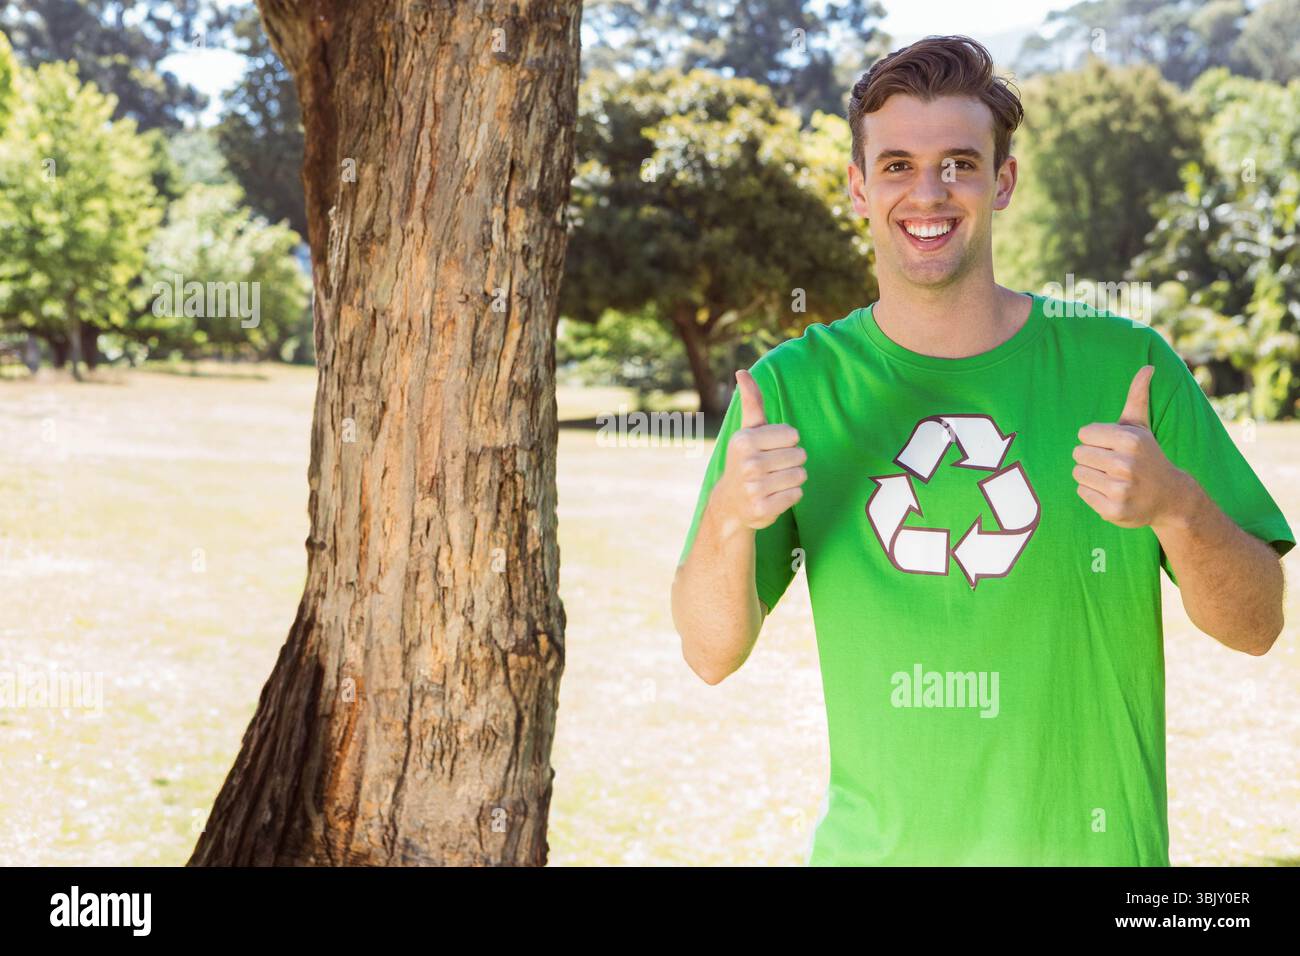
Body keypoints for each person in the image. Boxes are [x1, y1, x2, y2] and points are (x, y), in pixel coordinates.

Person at [670, 34, 1294, 866]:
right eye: (896, 165)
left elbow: (1256, 626)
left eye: (959, 163)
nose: (928, 192)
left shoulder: (1127, 368)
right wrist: (725, 519)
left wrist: (1179, 509)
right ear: (859, 186)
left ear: (1002, 181)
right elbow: (711, 656)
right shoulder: (790, 390)